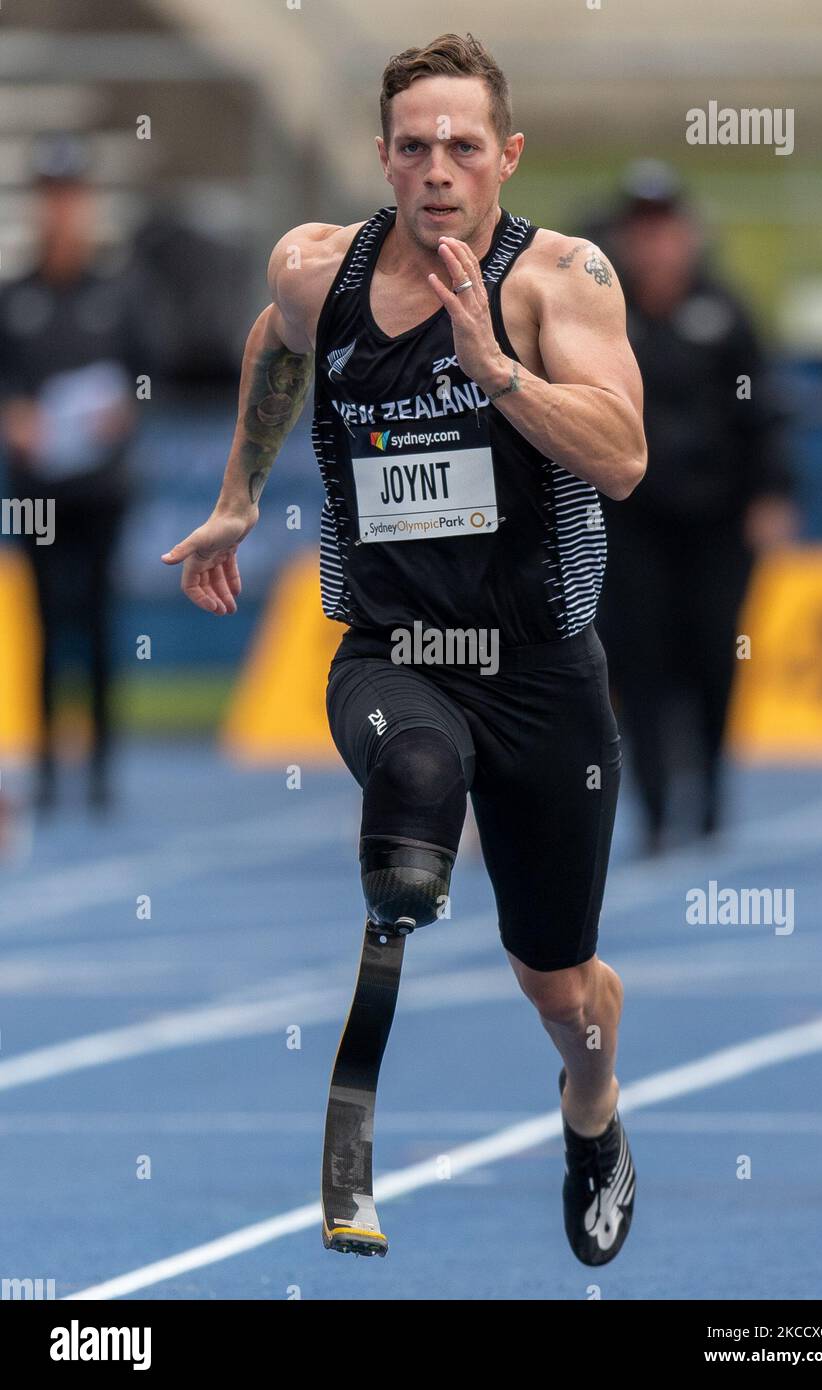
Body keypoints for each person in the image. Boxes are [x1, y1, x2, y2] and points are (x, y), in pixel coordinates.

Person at [163, 33, 646, 1265]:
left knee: (561, 988)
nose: (439, 168)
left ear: (506, 157)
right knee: (417, 772)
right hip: (393, 647)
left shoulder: (562, 280)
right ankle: (399, 892)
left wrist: (494, 371)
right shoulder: (317, 269)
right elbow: (276, 347)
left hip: (540, 666)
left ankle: (591, 1114)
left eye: (463, 146)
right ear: (383, 155)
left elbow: (623, 456)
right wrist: (236, 496)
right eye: (416, 146)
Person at [587, 161, 798, 853]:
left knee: (712, 654)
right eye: (639, 232)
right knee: (635, 659)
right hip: (631, 518)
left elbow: (763, 411)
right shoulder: (600, 317)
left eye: (665, 230)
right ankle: (649, 809)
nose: (654, 246)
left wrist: (770, 495)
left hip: (715, 521)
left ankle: (707, 793)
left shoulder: (722, 312)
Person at [0, 133, 141, 812]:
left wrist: (126, 411)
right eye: (50, 198)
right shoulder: (15, 294)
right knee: (46, 626)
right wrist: (14, 415)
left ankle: (101, 772)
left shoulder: (117, 290)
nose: (61, 212)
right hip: (37, 492)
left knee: (101, 623)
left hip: (103, 488)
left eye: (71, 198)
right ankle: (50, 774)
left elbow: (153, 373)